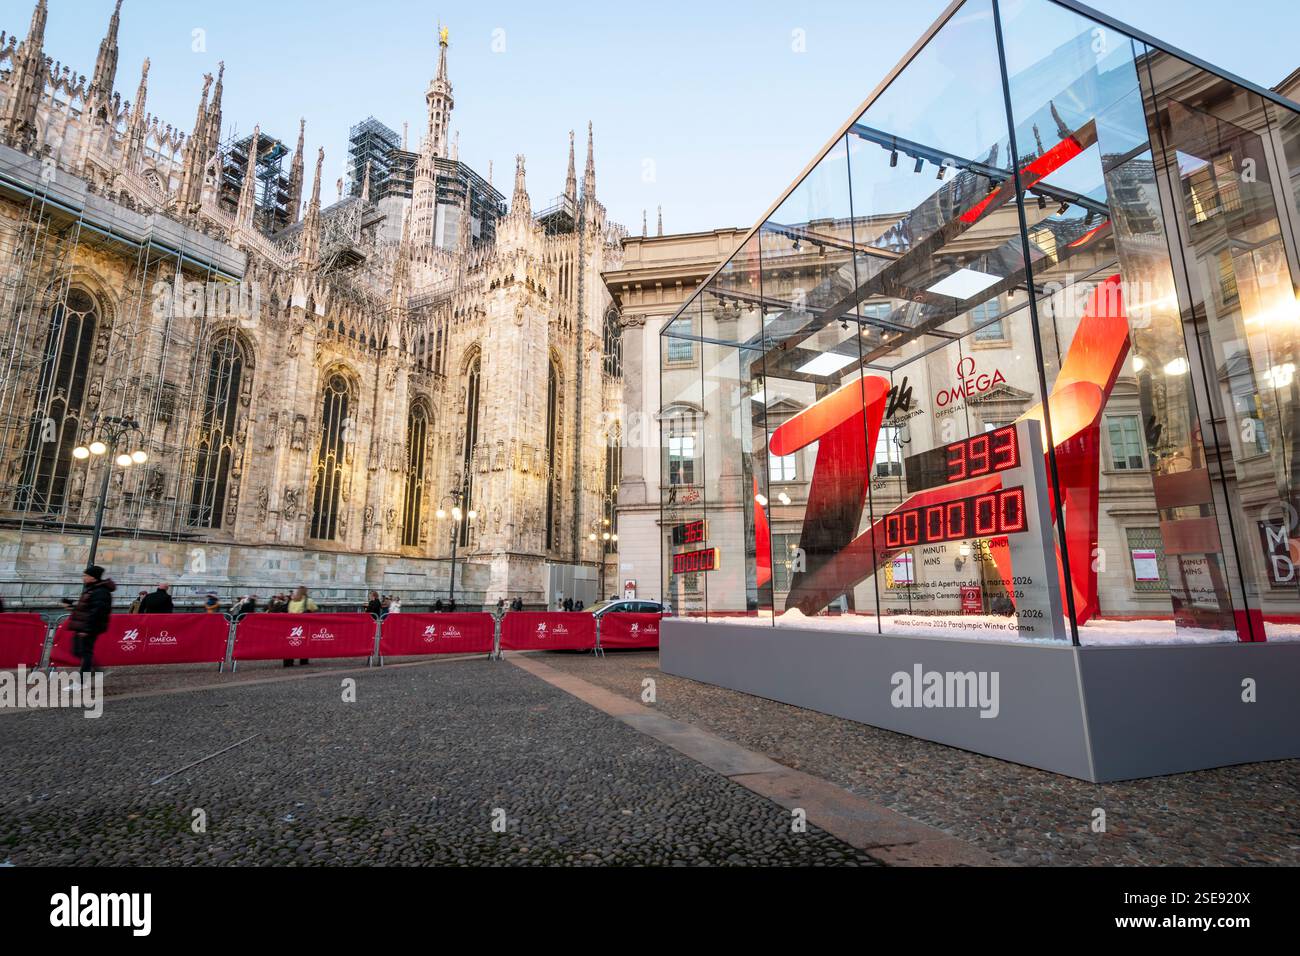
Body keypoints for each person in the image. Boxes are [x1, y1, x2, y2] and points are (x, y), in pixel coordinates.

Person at [65, 565, 115, 676]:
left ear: (93, 577)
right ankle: (97, 670)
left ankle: (83, 680)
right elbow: (87, 608)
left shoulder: (101, 591)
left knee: (85, 652)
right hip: (84, 625)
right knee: (78, 651)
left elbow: (97, 612)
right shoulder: (92, 589)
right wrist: (72, 606)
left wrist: (87, 629)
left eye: (86, 575)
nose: (84, 578)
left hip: (89, 627)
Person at [284, 586, 318, 667]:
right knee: (304, 642)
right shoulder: (308, 601)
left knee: (290, 642)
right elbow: (315, 609)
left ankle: (288, 662)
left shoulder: (292, 601)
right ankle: (303, 660)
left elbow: (289, 611)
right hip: (303, 625)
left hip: (291, 625)